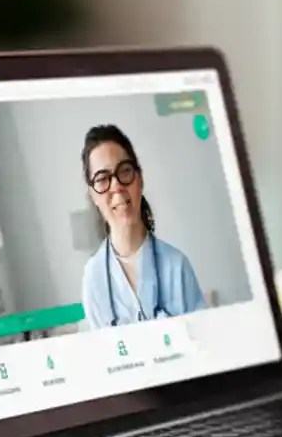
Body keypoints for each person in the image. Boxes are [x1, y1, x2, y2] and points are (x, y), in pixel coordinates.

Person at [80, 124, 207, 329]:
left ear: (139, 179)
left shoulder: (176, 266)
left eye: (125, 171)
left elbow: (204, 345)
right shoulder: (93, 277)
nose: (116, 186)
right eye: (103, 179)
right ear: (93, 195)